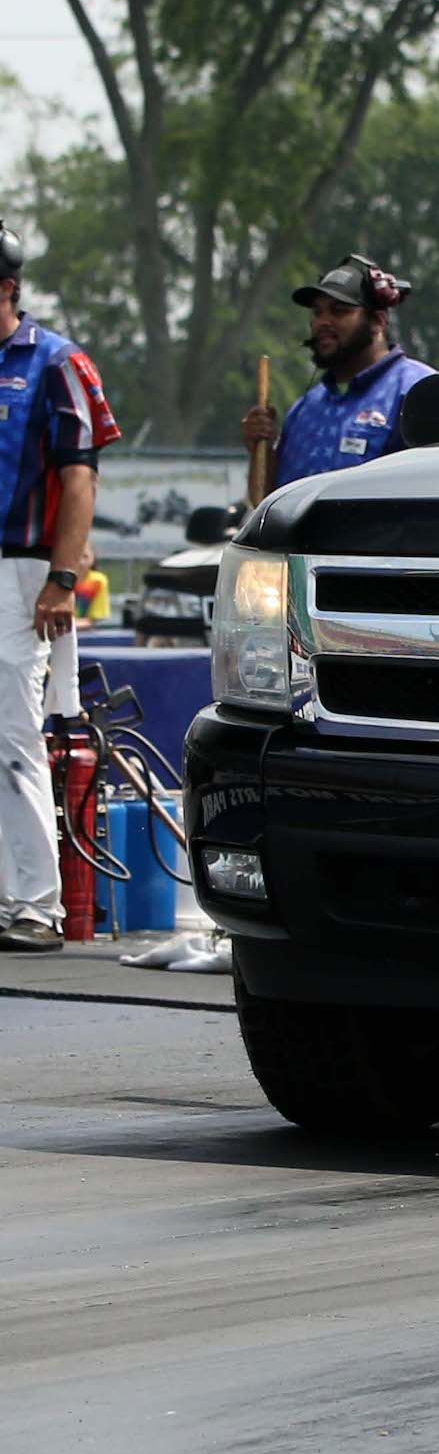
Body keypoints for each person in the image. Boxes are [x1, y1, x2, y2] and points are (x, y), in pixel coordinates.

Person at [0, 219, 121, 953]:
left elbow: (80, 478)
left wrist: (64, 577)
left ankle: (36, 906)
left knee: (15, 735)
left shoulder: (55, 362)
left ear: (7, 289)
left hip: (24, 569)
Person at [242, 254, 432, 487]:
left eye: (339, 310)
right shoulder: (304, 409)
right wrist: (261, 450)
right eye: (317, 312)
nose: (322, 321)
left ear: (378, 321)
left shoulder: (420, 390)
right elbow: (268, 502)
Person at [72, 542, 111, 629]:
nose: (81, 562)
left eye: (85, 557)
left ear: (93, 558)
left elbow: (94, 619)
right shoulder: (57, 578)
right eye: (76, 556)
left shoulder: (99, 581)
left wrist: (71, 624)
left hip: (84, 632)